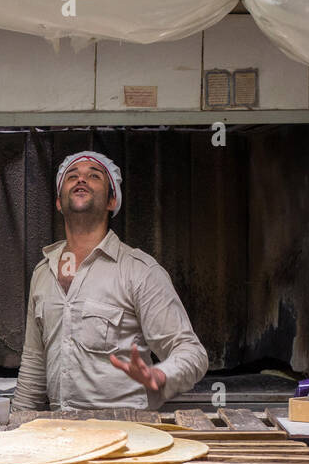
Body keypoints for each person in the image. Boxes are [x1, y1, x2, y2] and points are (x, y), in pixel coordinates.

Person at [11, 151, 208, 412]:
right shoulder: (43, 272)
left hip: (127, 435)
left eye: (94, 176)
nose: (81, 179)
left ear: (112, 201)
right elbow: (35, 363)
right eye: (72, 176)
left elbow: (192, 352)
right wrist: (17, 424)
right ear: (59, 202)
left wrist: (160, 376)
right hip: (61, 436)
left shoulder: (140, 271)